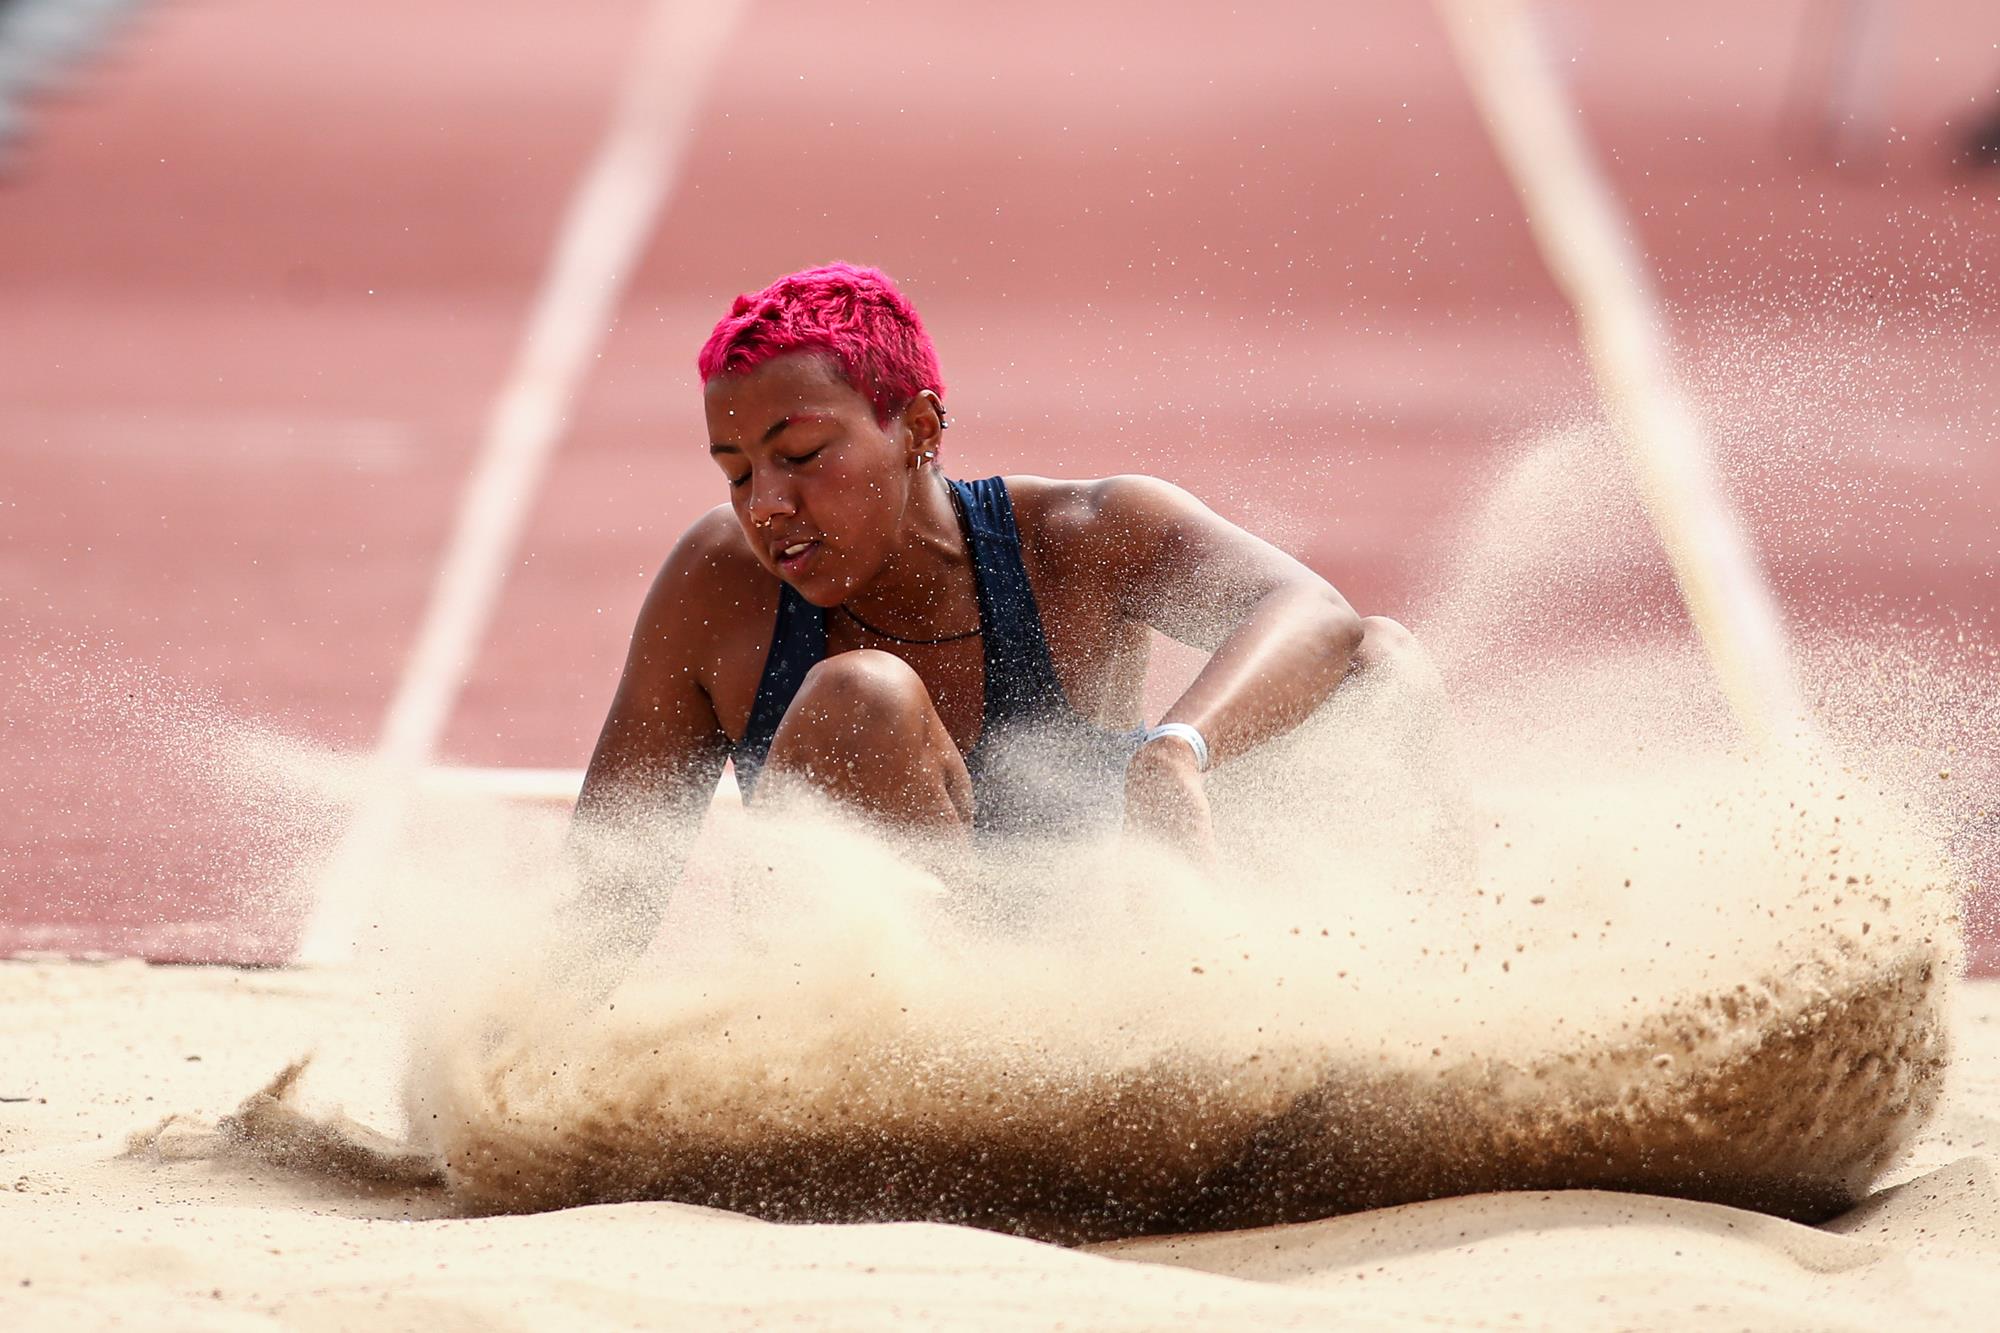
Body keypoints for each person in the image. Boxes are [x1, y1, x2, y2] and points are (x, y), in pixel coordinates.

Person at [571, 262, 1420, 913]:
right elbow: (605, 889)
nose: (767, 506)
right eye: (737, 472)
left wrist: (1176, 754)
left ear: (921, 431)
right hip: (897, 1047)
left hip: (1100, 979)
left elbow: (1315, 611)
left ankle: (1453, 1035)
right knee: (861, 696)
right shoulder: (720, 585)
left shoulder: (1077, 537)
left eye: (800, 457)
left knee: (1382, 664)